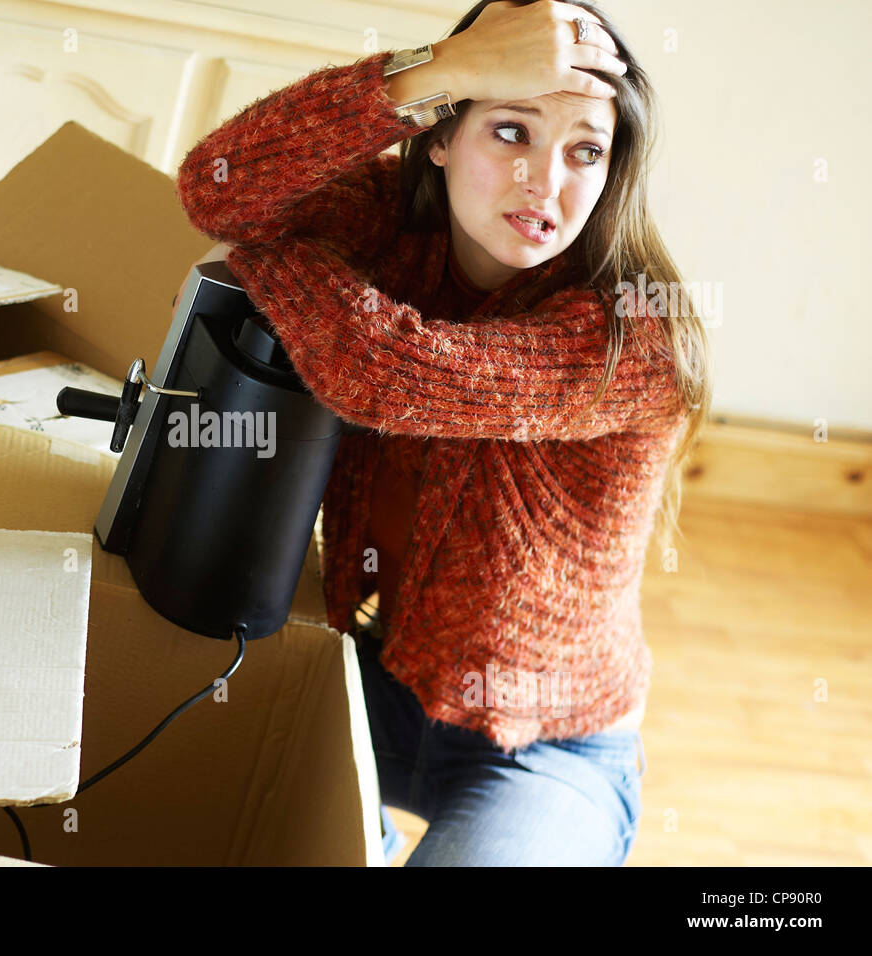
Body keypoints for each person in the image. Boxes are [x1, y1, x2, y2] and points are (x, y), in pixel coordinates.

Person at [175, 0, 712, 865]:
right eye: (510, 130)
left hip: (548, 746)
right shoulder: (392, 223)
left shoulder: (636, 334)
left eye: (585, 151)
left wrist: (260, 256)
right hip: (373, 677)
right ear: (438, 134)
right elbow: (218, 186)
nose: (546, 183)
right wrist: (431, 69)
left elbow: (382, 371)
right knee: (161, 765)